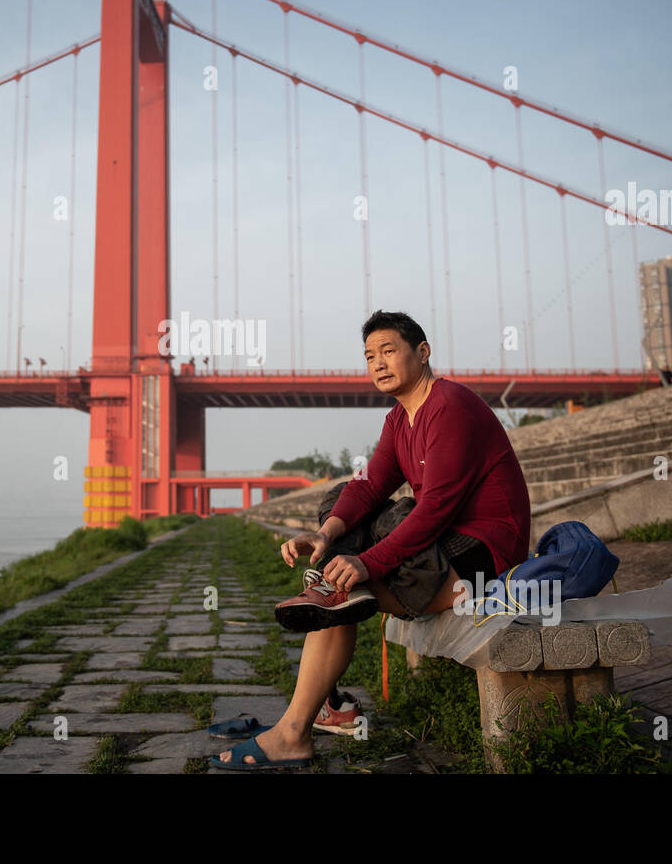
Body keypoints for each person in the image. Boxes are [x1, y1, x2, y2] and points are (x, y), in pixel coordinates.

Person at [212, 309, 532, 769]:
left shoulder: (451, 408)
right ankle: (307, 718)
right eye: (368, 356)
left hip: (484, 553)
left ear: (422, 353)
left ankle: (298, 728)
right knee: (344, 517)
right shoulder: (399, 420)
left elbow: (435, 509)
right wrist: (324, 534)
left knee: (342, 588)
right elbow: (368, 486)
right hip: (439, 546)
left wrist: (368, 563)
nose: (377, 363)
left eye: (388, 351)